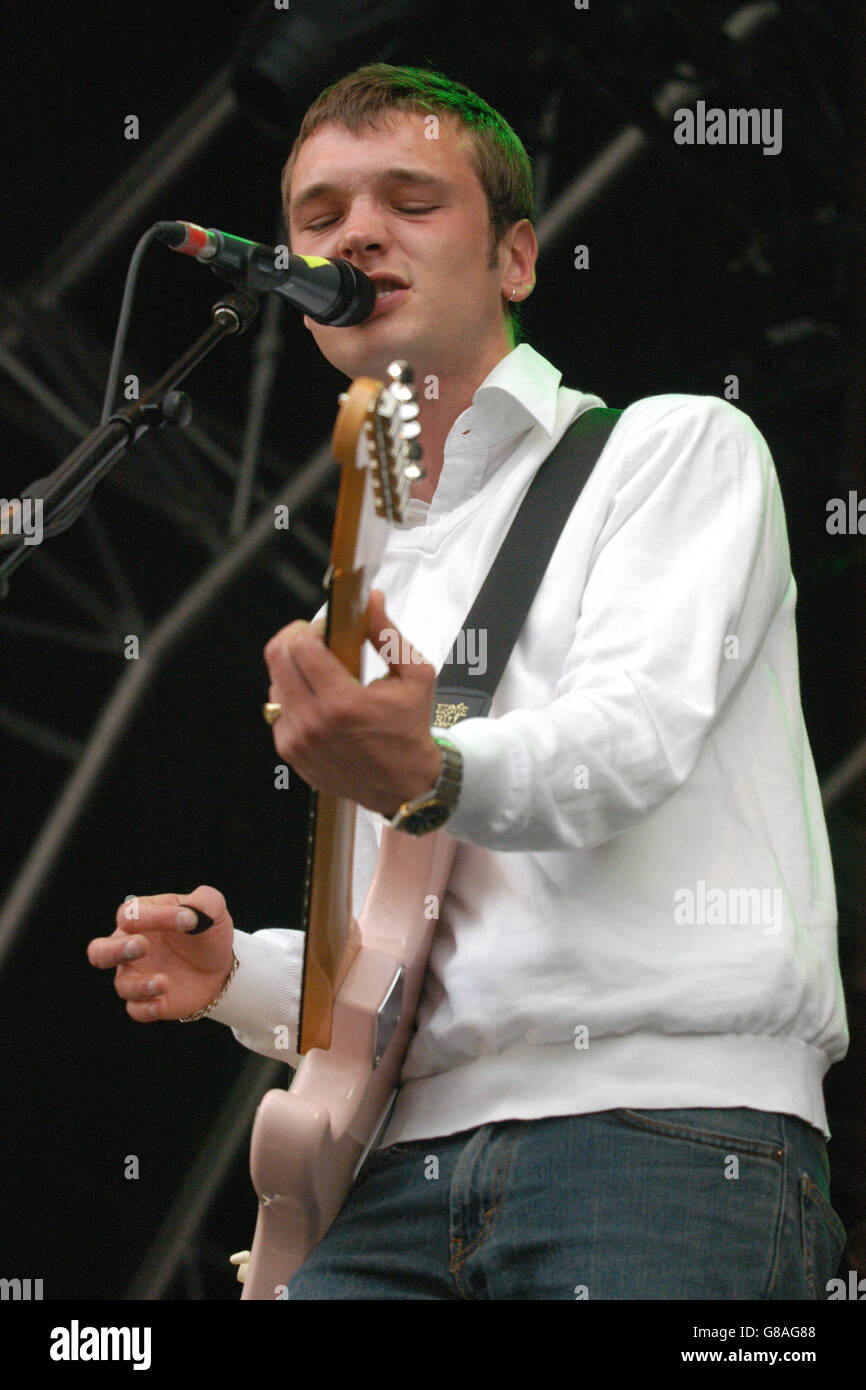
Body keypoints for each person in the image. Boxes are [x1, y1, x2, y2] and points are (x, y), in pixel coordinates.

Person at [87, 64, 848, 1300]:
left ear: (515, 259)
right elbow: (405, 948)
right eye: (320, 215)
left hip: (661, 1140)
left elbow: (628, 743)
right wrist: (241, 975)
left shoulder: (672, 449)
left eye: (409, 199)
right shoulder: (363, 568)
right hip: (396, 1169)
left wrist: (428, 769)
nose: (356, 234)